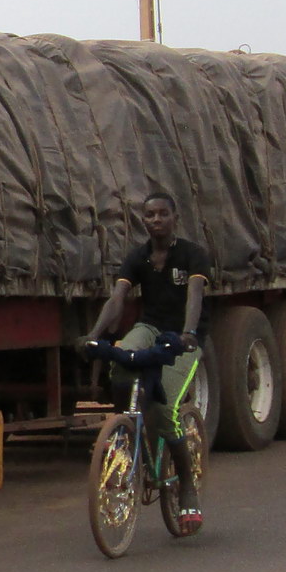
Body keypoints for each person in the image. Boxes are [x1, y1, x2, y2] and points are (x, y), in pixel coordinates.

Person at [84, 192, 209, 533]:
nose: (156, 220)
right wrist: (94, 334)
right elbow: (118, 298)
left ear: (174, 217)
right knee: (122, 362)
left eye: (162, 214)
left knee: (164, 410)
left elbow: (194, 297)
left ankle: (186, 486)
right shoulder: (137, 258)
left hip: (181, 338)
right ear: (144, 220)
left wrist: (187, 333)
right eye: (150, 215)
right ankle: (125, 430)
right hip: (149, 328)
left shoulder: (192, 255)